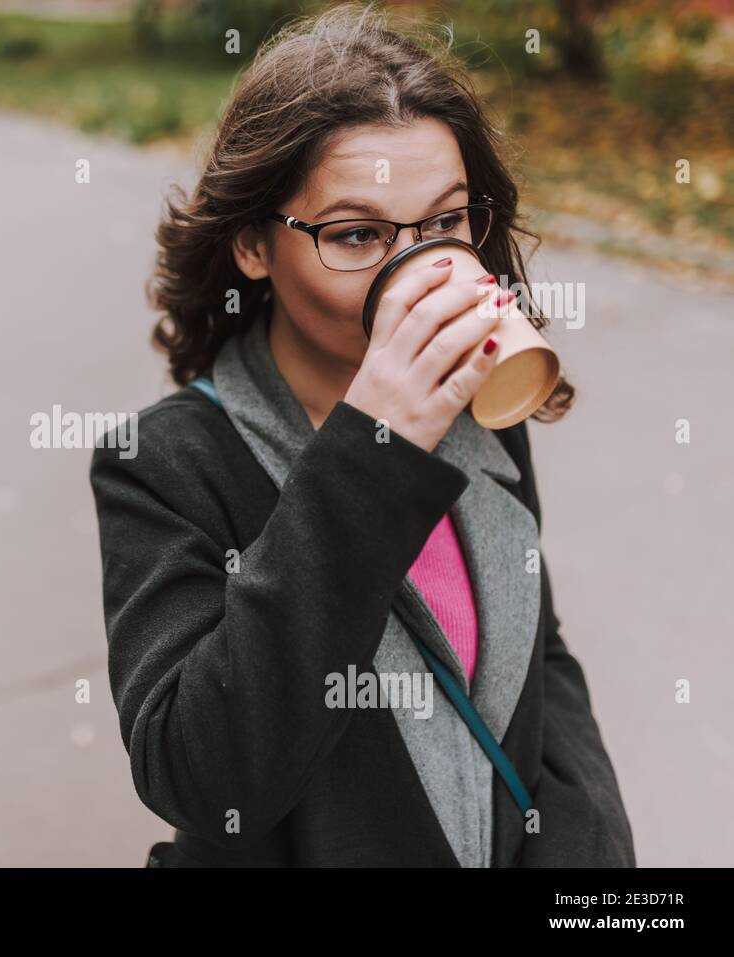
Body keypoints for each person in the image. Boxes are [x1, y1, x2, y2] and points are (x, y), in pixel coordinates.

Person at [88, 4, 635, 868]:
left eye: (445, 223)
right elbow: (204, 779)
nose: (419, 274)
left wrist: (593, 857)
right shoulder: (167, 464)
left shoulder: (479, 411)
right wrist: (371, 450)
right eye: (357, 234)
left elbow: (539, 661)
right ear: (253, 247)